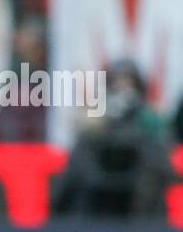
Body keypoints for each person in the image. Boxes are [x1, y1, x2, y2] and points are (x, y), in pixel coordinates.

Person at [51, 59, 173, 221]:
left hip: (139, 215)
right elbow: (68, 185)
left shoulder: (151, 130)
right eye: (116, 85)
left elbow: (165, 171)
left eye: (129, 86)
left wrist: (150, 126)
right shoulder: (91, 136)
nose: (122, 92)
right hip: (94, 211)